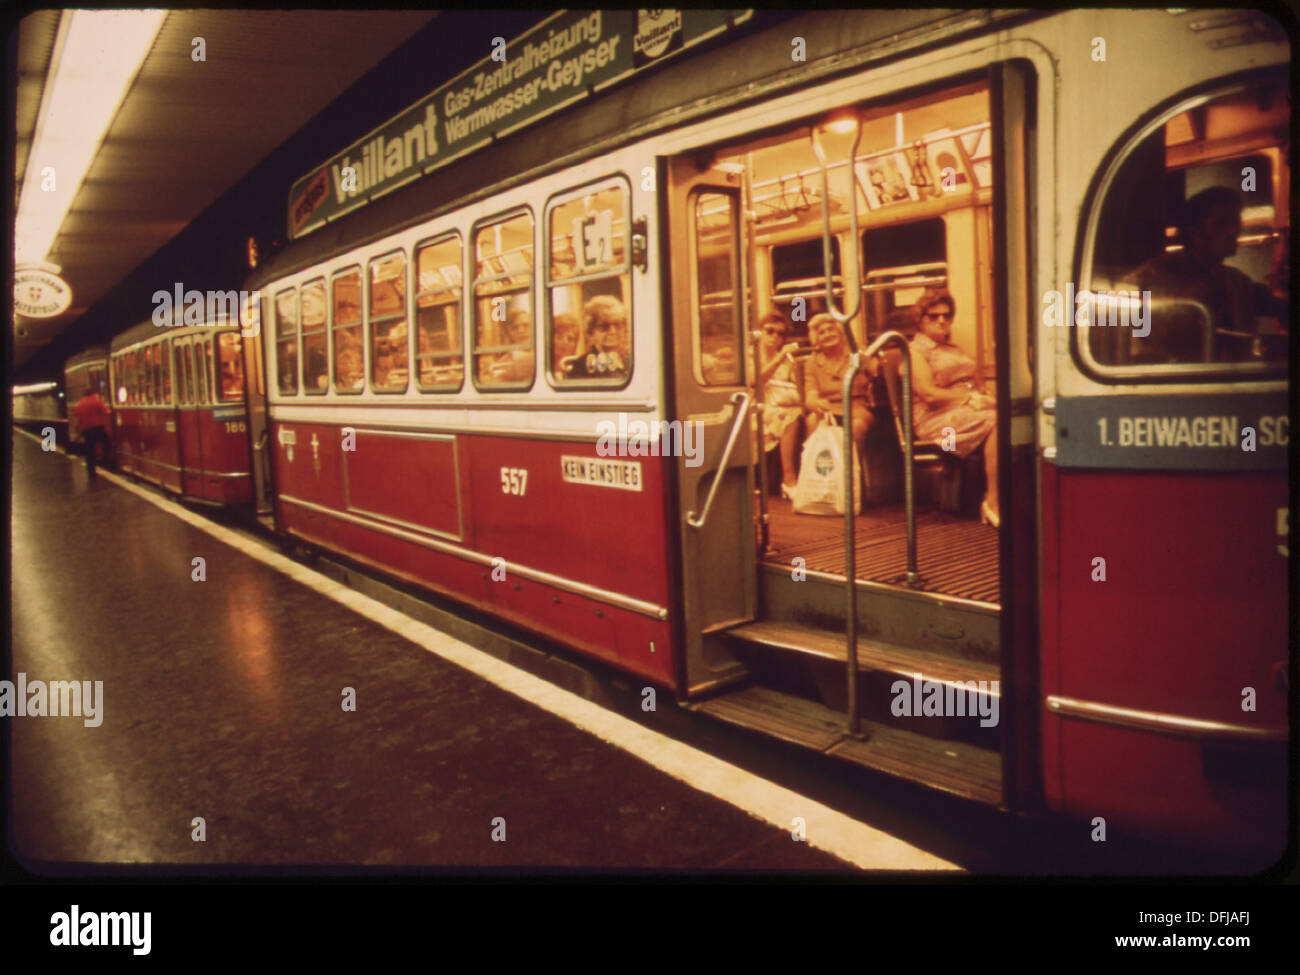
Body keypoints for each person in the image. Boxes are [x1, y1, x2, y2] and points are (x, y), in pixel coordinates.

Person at [1133, 186, 1288, 363]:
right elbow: (1141, 341)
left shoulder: (1238, 282)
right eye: (1222, 224)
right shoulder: (1154, 279)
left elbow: (1276, 307)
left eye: (1236, 223)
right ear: (1195, 232)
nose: (1233, 231)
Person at [907, 287, 999, 527]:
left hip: (964, 411)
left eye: (946, 316)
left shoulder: (954, 349)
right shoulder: (915, 352)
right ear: (920, 320)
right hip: (935, 423)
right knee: (996, 422)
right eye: (933, 316)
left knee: (1006, 418)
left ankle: (1000, 497)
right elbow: (929, 394)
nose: (942, 321)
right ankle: (992, 502)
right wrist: (968, 398)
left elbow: (977, 385)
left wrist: (985, 398)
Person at [803, 312, 875, 475]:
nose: (827, 334)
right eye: (821, 332)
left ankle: (852, 476)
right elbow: (810, 396)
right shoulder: (812, 362)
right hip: (828, 409)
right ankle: (817, 476)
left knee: (857, 426)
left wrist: (865, 360)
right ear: (816, 339)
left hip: (856, 407)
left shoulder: (856, 354)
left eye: (831, 329)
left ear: (840, 332)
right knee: (812, 420)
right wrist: (815, 403)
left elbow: (874, 371)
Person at [755, 311, 803, 498]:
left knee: (794, 413)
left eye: (780, 334)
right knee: (789, 417)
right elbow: (756, 381)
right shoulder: (751, 354)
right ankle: (789, 478)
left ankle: (795, 477)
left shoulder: (788, 360)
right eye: (770, 331)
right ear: (760, 332)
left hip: (778, 405)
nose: (775, 337)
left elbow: (796, 386)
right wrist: (778, 358)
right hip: (755, 402)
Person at [565, 296, 628, 380]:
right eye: (604, 326)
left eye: (617, 325)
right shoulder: (580, 367)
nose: (613, 331)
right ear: (591, 331)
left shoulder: (630, 361)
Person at [73, 385, 112, 477]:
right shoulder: (96, 401)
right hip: (97, 427)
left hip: (86, 429)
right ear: (93, 394)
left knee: (90, 450)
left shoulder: (79, 403)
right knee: (106, 442)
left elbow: (76, 415)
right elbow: (107, 411)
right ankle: (104, 460)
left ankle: (91, 471)